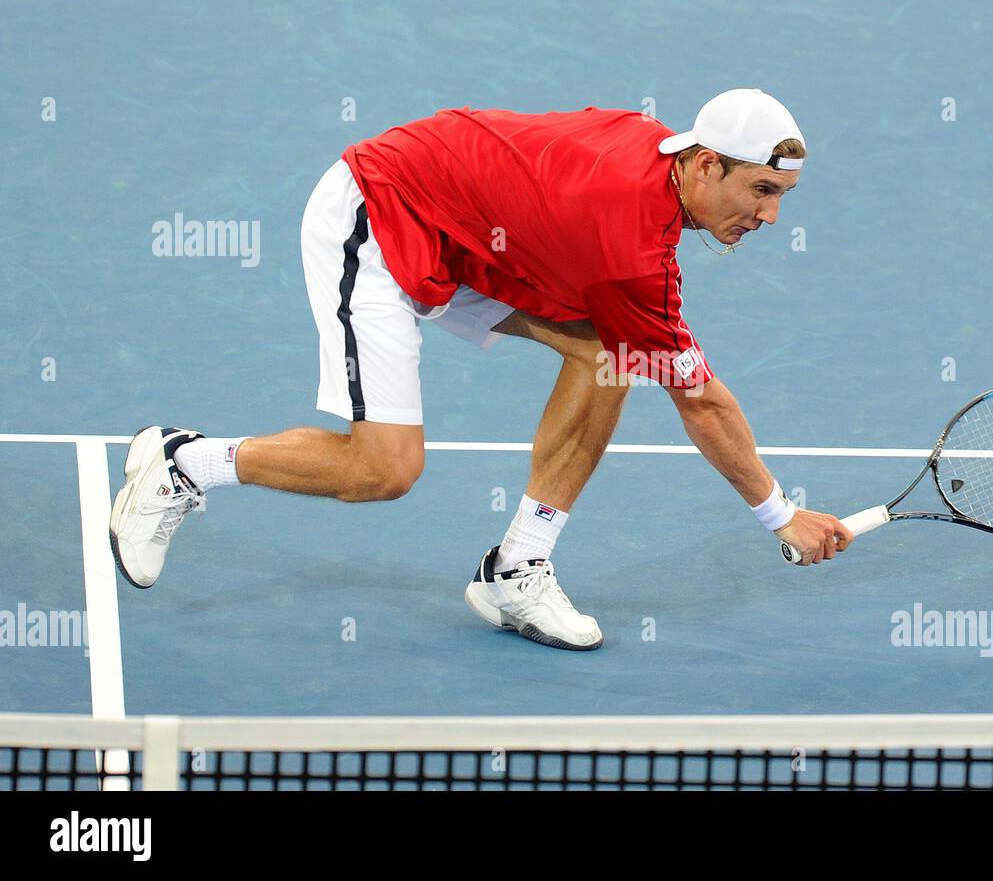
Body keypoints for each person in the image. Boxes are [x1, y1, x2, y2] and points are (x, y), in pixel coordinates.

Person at [108, 88, 854, 651]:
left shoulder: (650, 150)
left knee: (610, 352)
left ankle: (515, 569)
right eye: (761, 191)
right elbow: (704, 405)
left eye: (782, 196)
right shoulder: (630, 249)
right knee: (385, 469)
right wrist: (781, 515)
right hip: (382, 214)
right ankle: (183, 462)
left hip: (468, 237)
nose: (770, 218)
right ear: (704, 163)